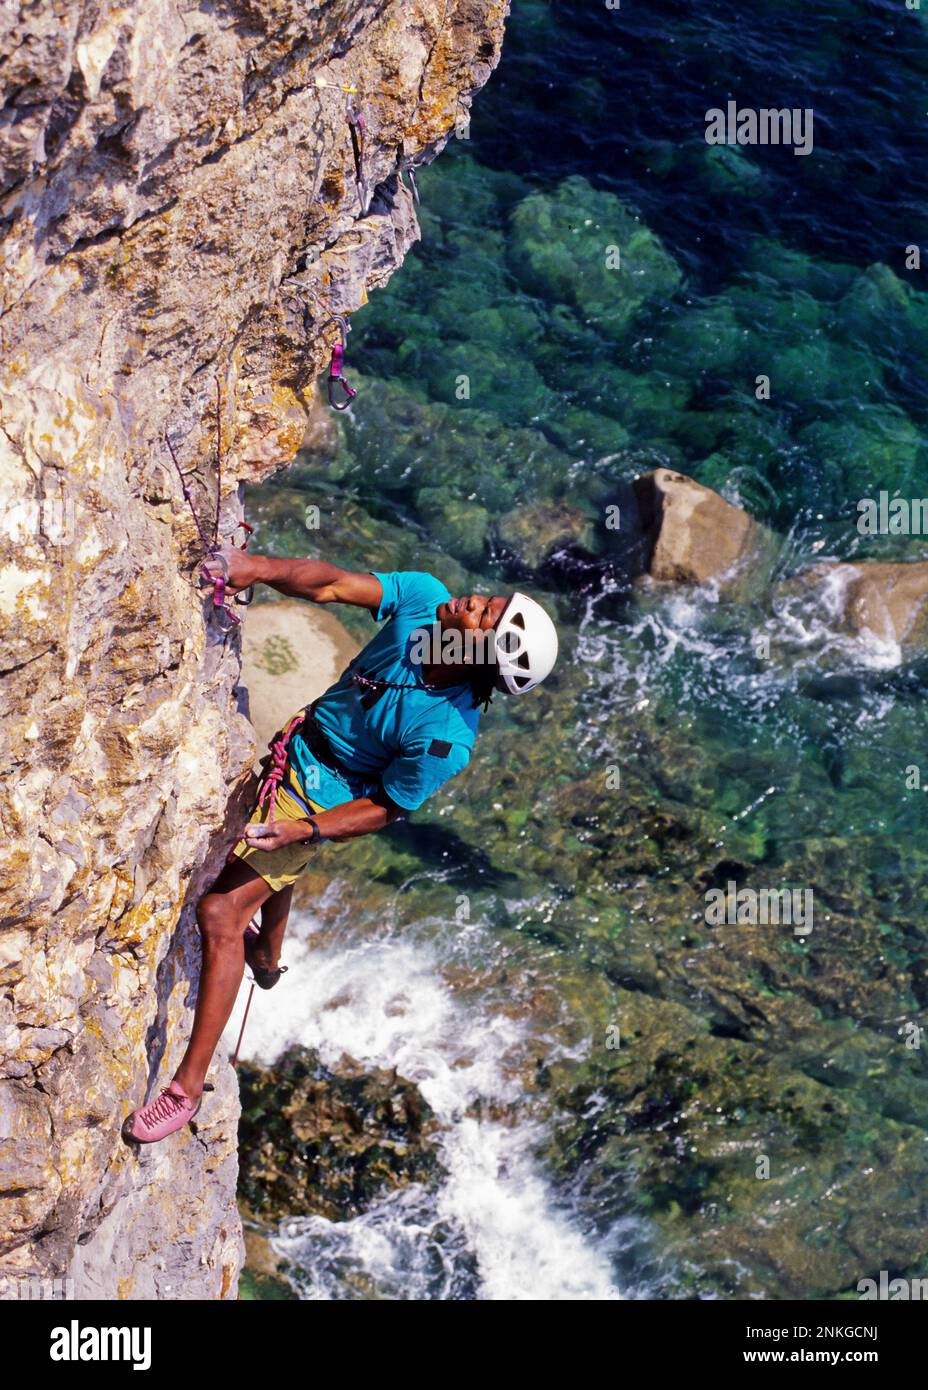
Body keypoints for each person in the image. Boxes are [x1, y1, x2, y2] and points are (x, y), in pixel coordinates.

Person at [122, 555, 558, 1143]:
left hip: (324, 798)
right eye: (489, 599)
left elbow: (385, 806)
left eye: (485, 616)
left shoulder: (444, 738)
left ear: (485, 660)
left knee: (220, 912)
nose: (474, 602)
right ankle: (269, 956)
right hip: (300, 741)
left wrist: (305, 829)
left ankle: (187, 1089)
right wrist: (255, 568)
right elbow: (328, 584)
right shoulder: (424, 599)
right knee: (267, 874)